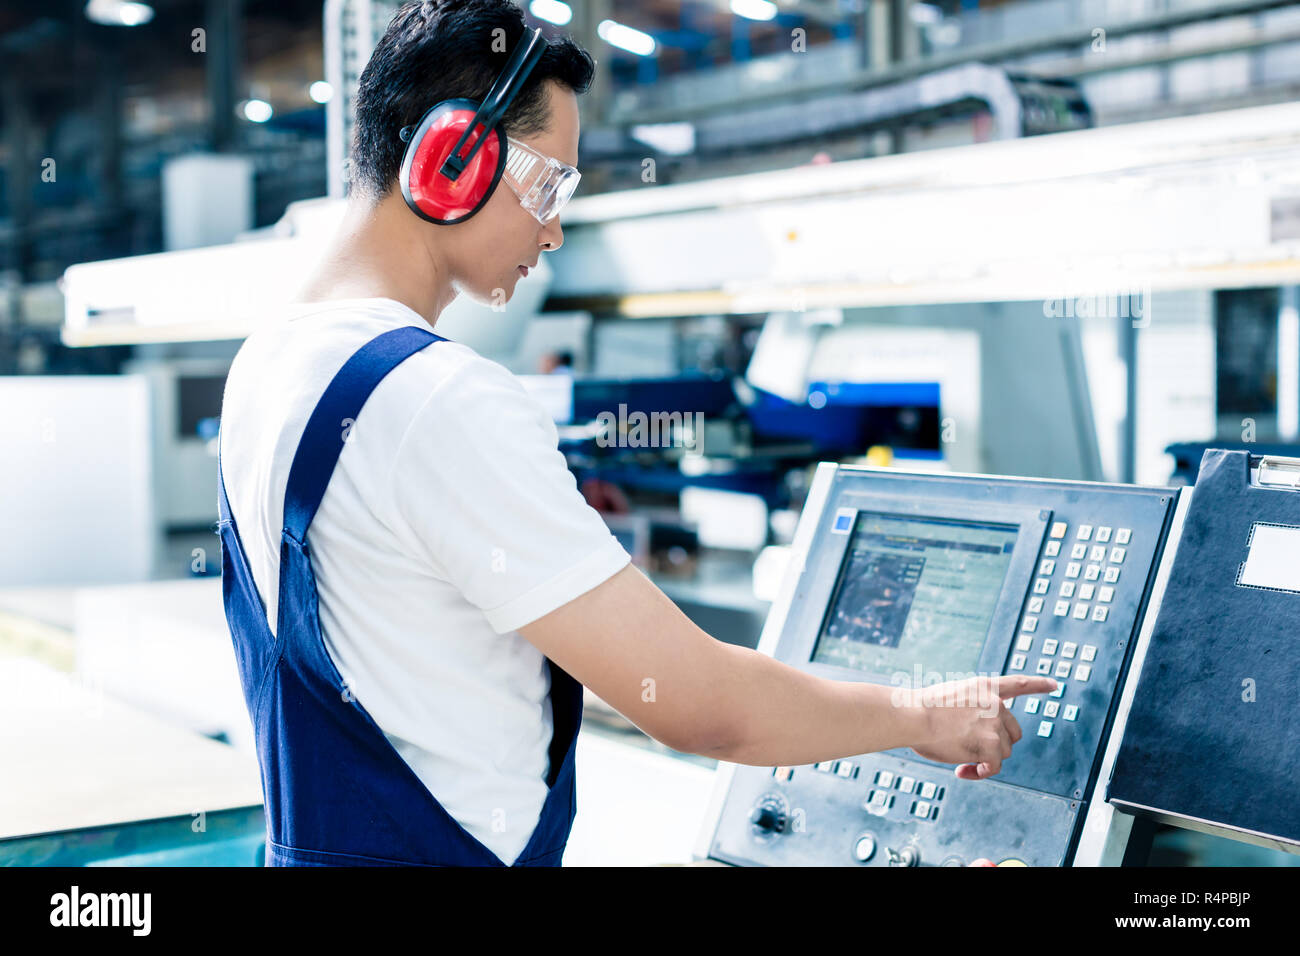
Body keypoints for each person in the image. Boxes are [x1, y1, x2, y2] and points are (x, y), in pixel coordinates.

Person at [216, 0, 1053, 868]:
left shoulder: (268, 367)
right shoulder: (434, 396)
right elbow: (698, 705)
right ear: (450, 160)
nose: (553, 227)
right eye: (548, 184)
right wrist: (921, 714)